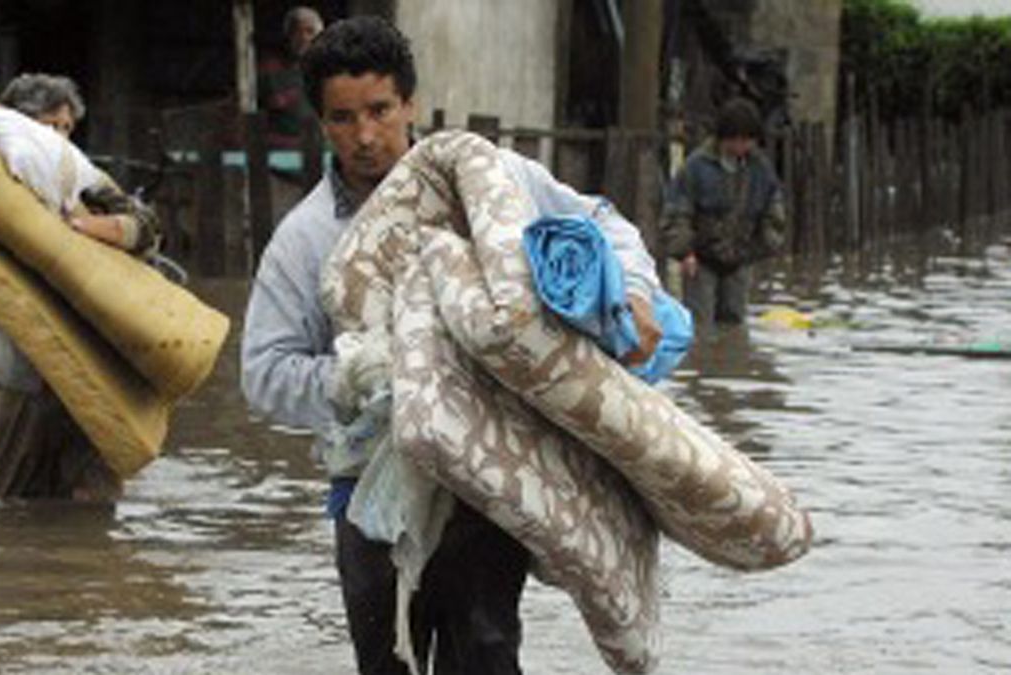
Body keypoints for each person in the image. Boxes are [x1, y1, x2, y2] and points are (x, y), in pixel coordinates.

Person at [240, 16, 661, 674]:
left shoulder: (490, 182)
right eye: (344, 118)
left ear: (410, 102)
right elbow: (263, 371)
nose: (367, 135)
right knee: (387, 663)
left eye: (380, 110)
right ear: (323, 124)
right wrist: (377, 378)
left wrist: (631, 294)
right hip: (368, 497)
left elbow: (604, 223)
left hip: (487, 479)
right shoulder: (306, 238)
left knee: (488, 649)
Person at [0, 73, 160, 502]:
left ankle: (82, 562)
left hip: (90, 354)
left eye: (66, 128)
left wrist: (84, 226)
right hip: (18, 360)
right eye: (50, 126)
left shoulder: (81, 178)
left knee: (95, 488)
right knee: (13, 488)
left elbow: (145, 229)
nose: (60, 137)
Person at [661, 97, 786, 325]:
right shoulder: (696, 167)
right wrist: (684, 252)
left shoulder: (761, 169)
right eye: (739, 140)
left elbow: (773, 210)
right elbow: (678, 212)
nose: (744, 146)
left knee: (734, 324)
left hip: (740, 259)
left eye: (749, 140)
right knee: (698, 324)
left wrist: (763, 247)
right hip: (700, 260)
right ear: (726, 137)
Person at [257, 6, 324, 148]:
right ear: (288, 37)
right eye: (296, 32)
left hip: (323, 150)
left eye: (310, 31)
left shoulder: (333, 70)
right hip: (279, 153)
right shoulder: (270, 69)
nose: (303, 37)